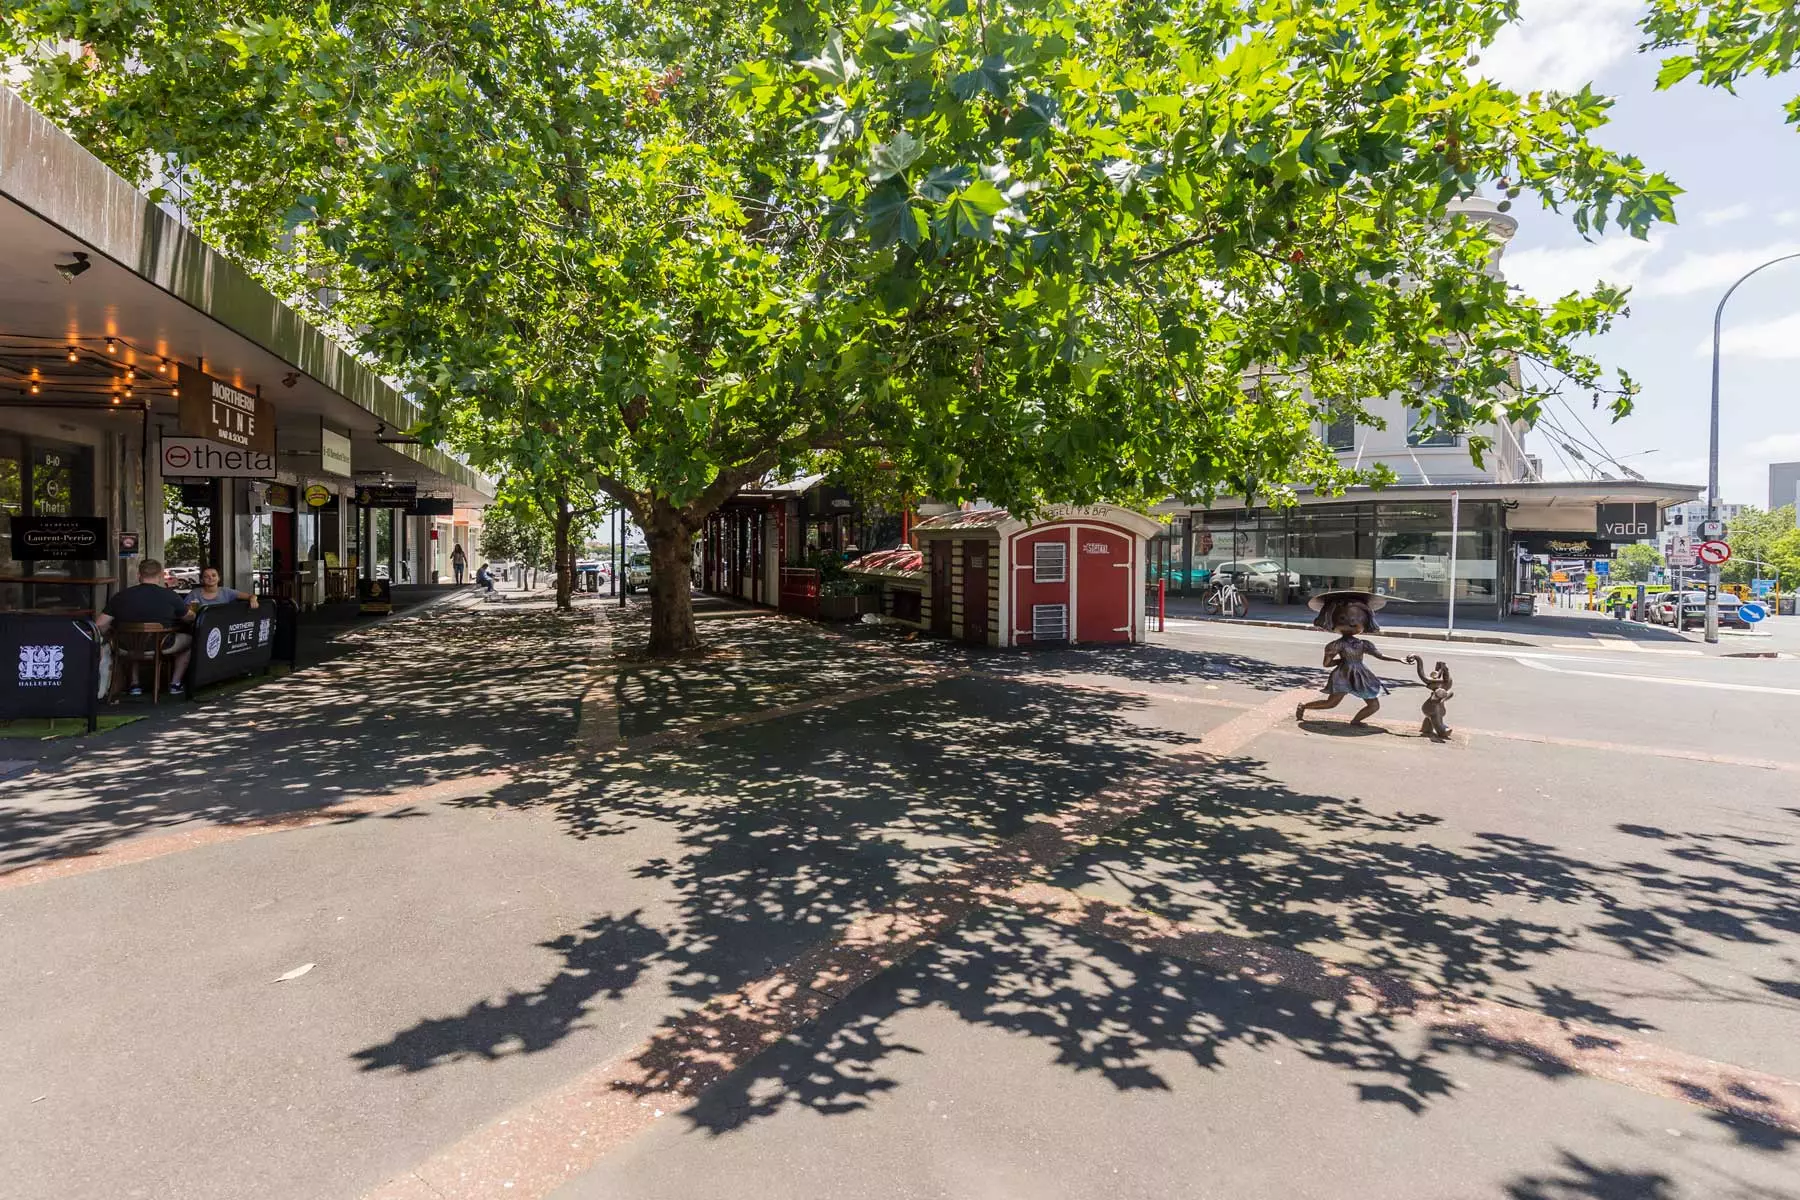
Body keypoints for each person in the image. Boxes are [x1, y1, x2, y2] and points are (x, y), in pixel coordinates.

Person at [1295, 590, 1412, 726]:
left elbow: (1379, 655)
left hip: (1362, 676)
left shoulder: (1363, 644)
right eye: (1343, 619)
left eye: (1358, 619)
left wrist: (1399, 659)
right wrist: (1344, 661)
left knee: (1374, 705)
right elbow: (1327, 664)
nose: (1352, 623)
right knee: (1331, 703)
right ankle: (1303, 706)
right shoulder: (1335, 645)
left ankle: (1356, 721)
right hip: (1343, 676)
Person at [96, 558, 195, 695]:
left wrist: (109, 635)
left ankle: (135, 684)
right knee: (191, 641)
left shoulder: (121, 596)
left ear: (139, 575)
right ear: (160, 576)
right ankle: (175, 684)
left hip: (125, 647)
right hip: (162, 646)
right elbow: (188, 617)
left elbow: (100, 624)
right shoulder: (170, 596)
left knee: (133, 641)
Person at [183, 566, 261, 612]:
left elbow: (250, 596)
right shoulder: (195, 594)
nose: (210, 578)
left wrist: (253, 599)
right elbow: (189, 613)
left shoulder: (226, 591)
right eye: (206, 576)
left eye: (214, 575)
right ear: (202, 580)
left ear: (219, 578)